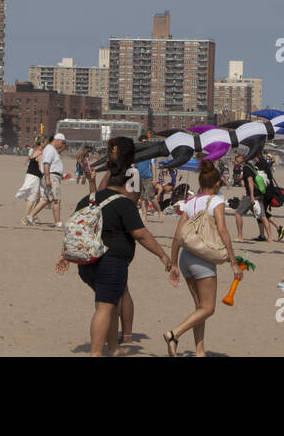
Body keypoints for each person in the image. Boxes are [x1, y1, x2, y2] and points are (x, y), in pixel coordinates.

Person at [54, 136, 179, 357]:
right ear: (126, 182)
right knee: (105, 307)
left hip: (86, 262)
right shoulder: (124, 203)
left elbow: (76, 228)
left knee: (109, 304)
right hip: (110, 262)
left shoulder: (89, 200)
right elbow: (141, 234)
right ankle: (96, 353)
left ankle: (113, 348)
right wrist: (163, 256)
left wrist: (65, 255)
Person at [164, 160, 240, 356]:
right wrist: (233, 262)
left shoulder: (190, 202)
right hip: (202, 258)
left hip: (185, 257)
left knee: (200, 307)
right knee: (208, 308)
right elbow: (222, 231)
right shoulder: (217, 201)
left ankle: (200, 351)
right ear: (217, 184)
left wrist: (174, 264)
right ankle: (174, 334)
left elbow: (177, 235)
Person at [31, 133, 67, 228]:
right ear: (58, 140)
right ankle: (58, 222)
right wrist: (47, 179)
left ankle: (30, 216)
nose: (62, 145)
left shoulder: (51, 149)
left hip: (53, 176)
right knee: (56, 200)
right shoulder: (50, 149)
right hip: (52, 176)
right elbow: (46, 164)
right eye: (62, 143)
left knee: (46, 199)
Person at [16, 140, 45, 224]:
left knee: (39, 196)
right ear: (41, 144)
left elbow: (29, 159)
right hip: (35, 177)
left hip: (29, 175)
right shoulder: (40, 153)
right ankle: (26, 217)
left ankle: (33, 215)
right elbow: (40, 168)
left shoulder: (34, 151)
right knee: (33, 197)